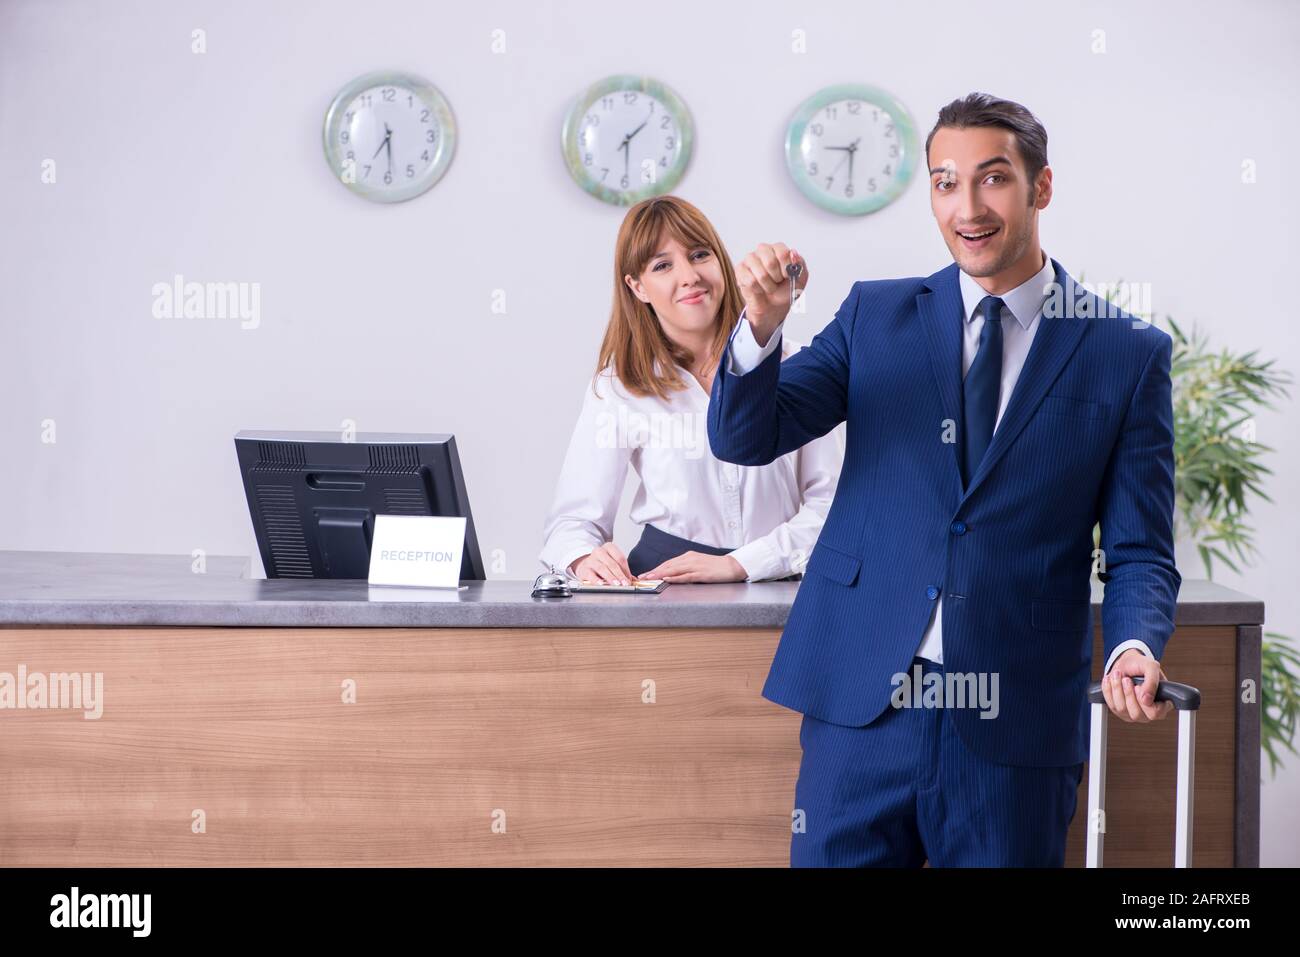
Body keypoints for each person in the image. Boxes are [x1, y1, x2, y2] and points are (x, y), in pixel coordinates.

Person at [709, 92, 1181, 866]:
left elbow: (1139, 550)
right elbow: (744, 436)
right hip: (863, 709)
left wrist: (1133, 643)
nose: (968, 206)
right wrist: (760, 327)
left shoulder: (1123, 351)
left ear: (1042, 187)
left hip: (1013, 721)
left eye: (992, 179)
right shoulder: (875, 316)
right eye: (944, 182)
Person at [539, 195, 843, 585]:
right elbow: (573, 523)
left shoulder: (795, 363)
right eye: (662, 265)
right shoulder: (619, 386)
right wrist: (582, 559)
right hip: (666, 589)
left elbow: (832, 506)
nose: (689, 277)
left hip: (780, 587)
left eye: (700, 255)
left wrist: (743, 563)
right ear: (638, 287)